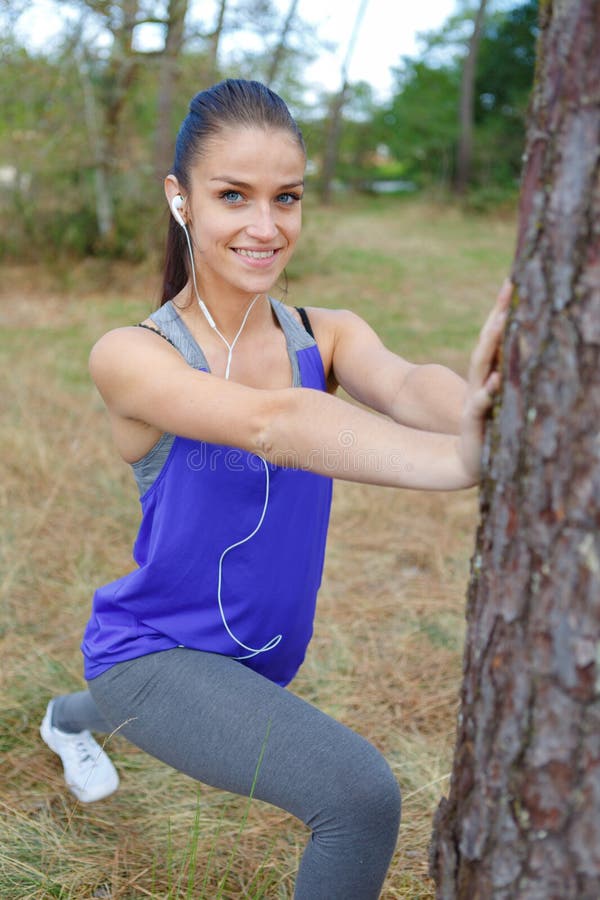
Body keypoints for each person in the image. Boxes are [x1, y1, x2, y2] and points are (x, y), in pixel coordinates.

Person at [40, 79, 509, 898]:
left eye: (285, 198)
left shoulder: (324, 333)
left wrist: (493, 410)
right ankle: (94, 705)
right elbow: (274, 423)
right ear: (179, 200)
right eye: (233, 196)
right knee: (357, 798)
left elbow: (406, 386)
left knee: (118, 708)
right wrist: (458, 462)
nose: (266, 226)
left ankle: (66, 717)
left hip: (258, 653)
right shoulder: (134, 355)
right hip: (157, 653)